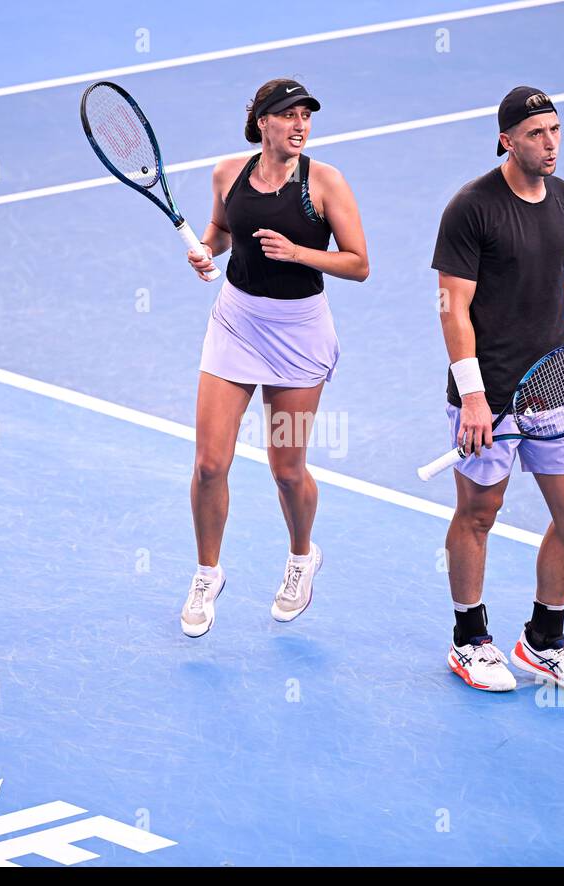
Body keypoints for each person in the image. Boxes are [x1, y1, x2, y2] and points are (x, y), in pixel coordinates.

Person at [432, 86, 564, 693]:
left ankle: (542, 641)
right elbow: (452, 308)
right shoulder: (471, 208)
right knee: (480, 513)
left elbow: (556, 278)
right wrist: (474, 395)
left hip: (557, 378)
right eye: (536, 134)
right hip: (493, 387)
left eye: (556, 130)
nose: (551, 143)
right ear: (507, 139)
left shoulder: (561, 195)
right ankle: (469, 641)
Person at [179, 78, 369, 638]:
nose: (300, 125)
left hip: (298, 336)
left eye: (306, 116)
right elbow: (220, 231)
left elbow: (359, 263)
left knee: (286, 470)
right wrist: (204, 250)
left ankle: (300, 557)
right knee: (210, 464)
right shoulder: (227, 173)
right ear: (262, 121)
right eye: (288, 115)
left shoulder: (325, 182)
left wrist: (299, 253)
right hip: (236, 324)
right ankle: (207, 573)